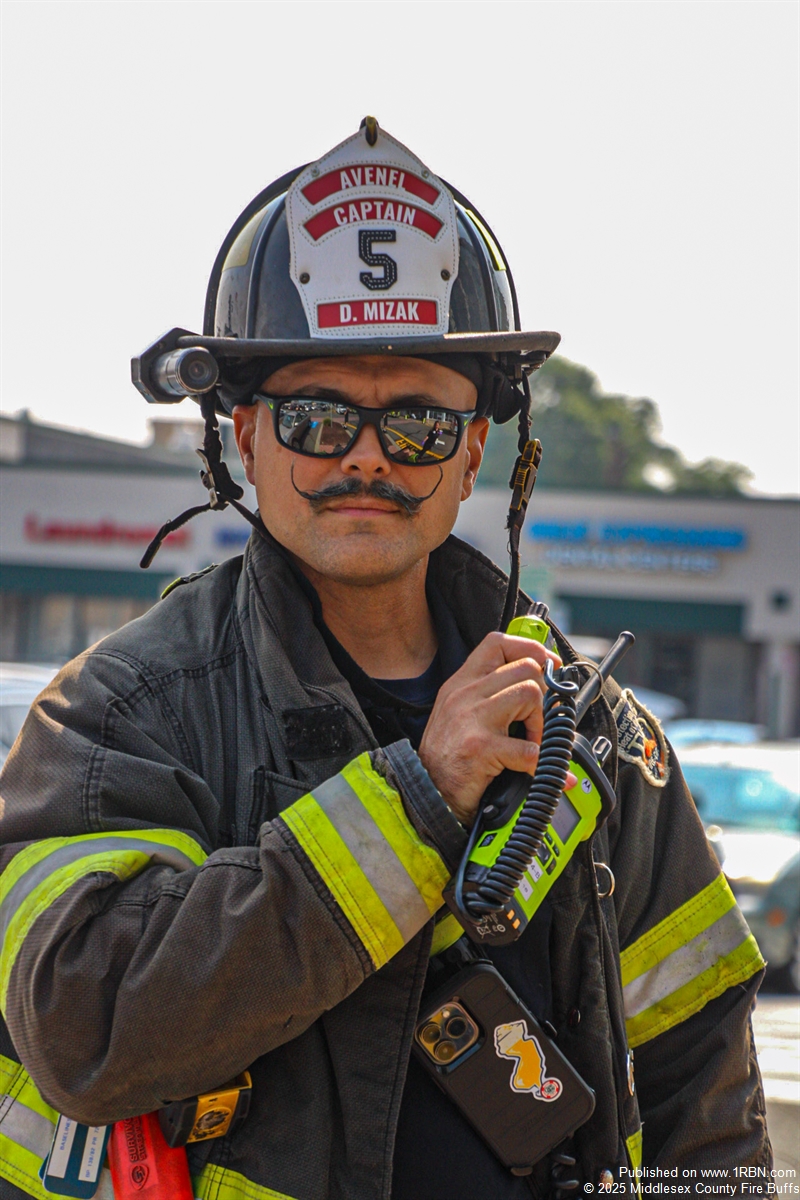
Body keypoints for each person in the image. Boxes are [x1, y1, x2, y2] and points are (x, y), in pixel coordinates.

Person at [0, 119, 771, 1200]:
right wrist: (420, 799)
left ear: (472, 456)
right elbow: (90, 1033)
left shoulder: (594, 737)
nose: (364, 454)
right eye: (315, 418)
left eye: (414, 422)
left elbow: (701, 1091)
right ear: (244, 437)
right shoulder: (117, 717)